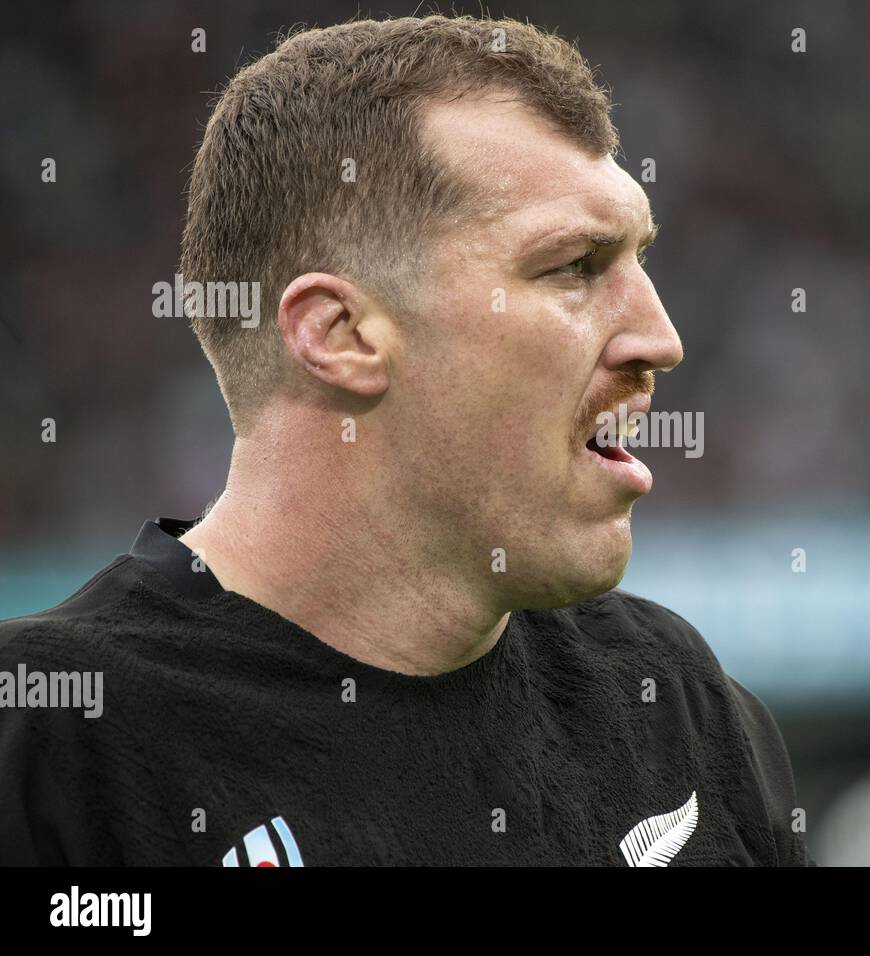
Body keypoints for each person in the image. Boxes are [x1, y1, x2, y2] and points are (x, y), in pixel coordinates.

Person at [0, 13, 813, 866]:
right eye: (573, 266)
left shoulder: (671, 702)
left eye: (641, 259)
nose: (662, 338)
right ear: (341, 335)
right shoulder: (53, 740)